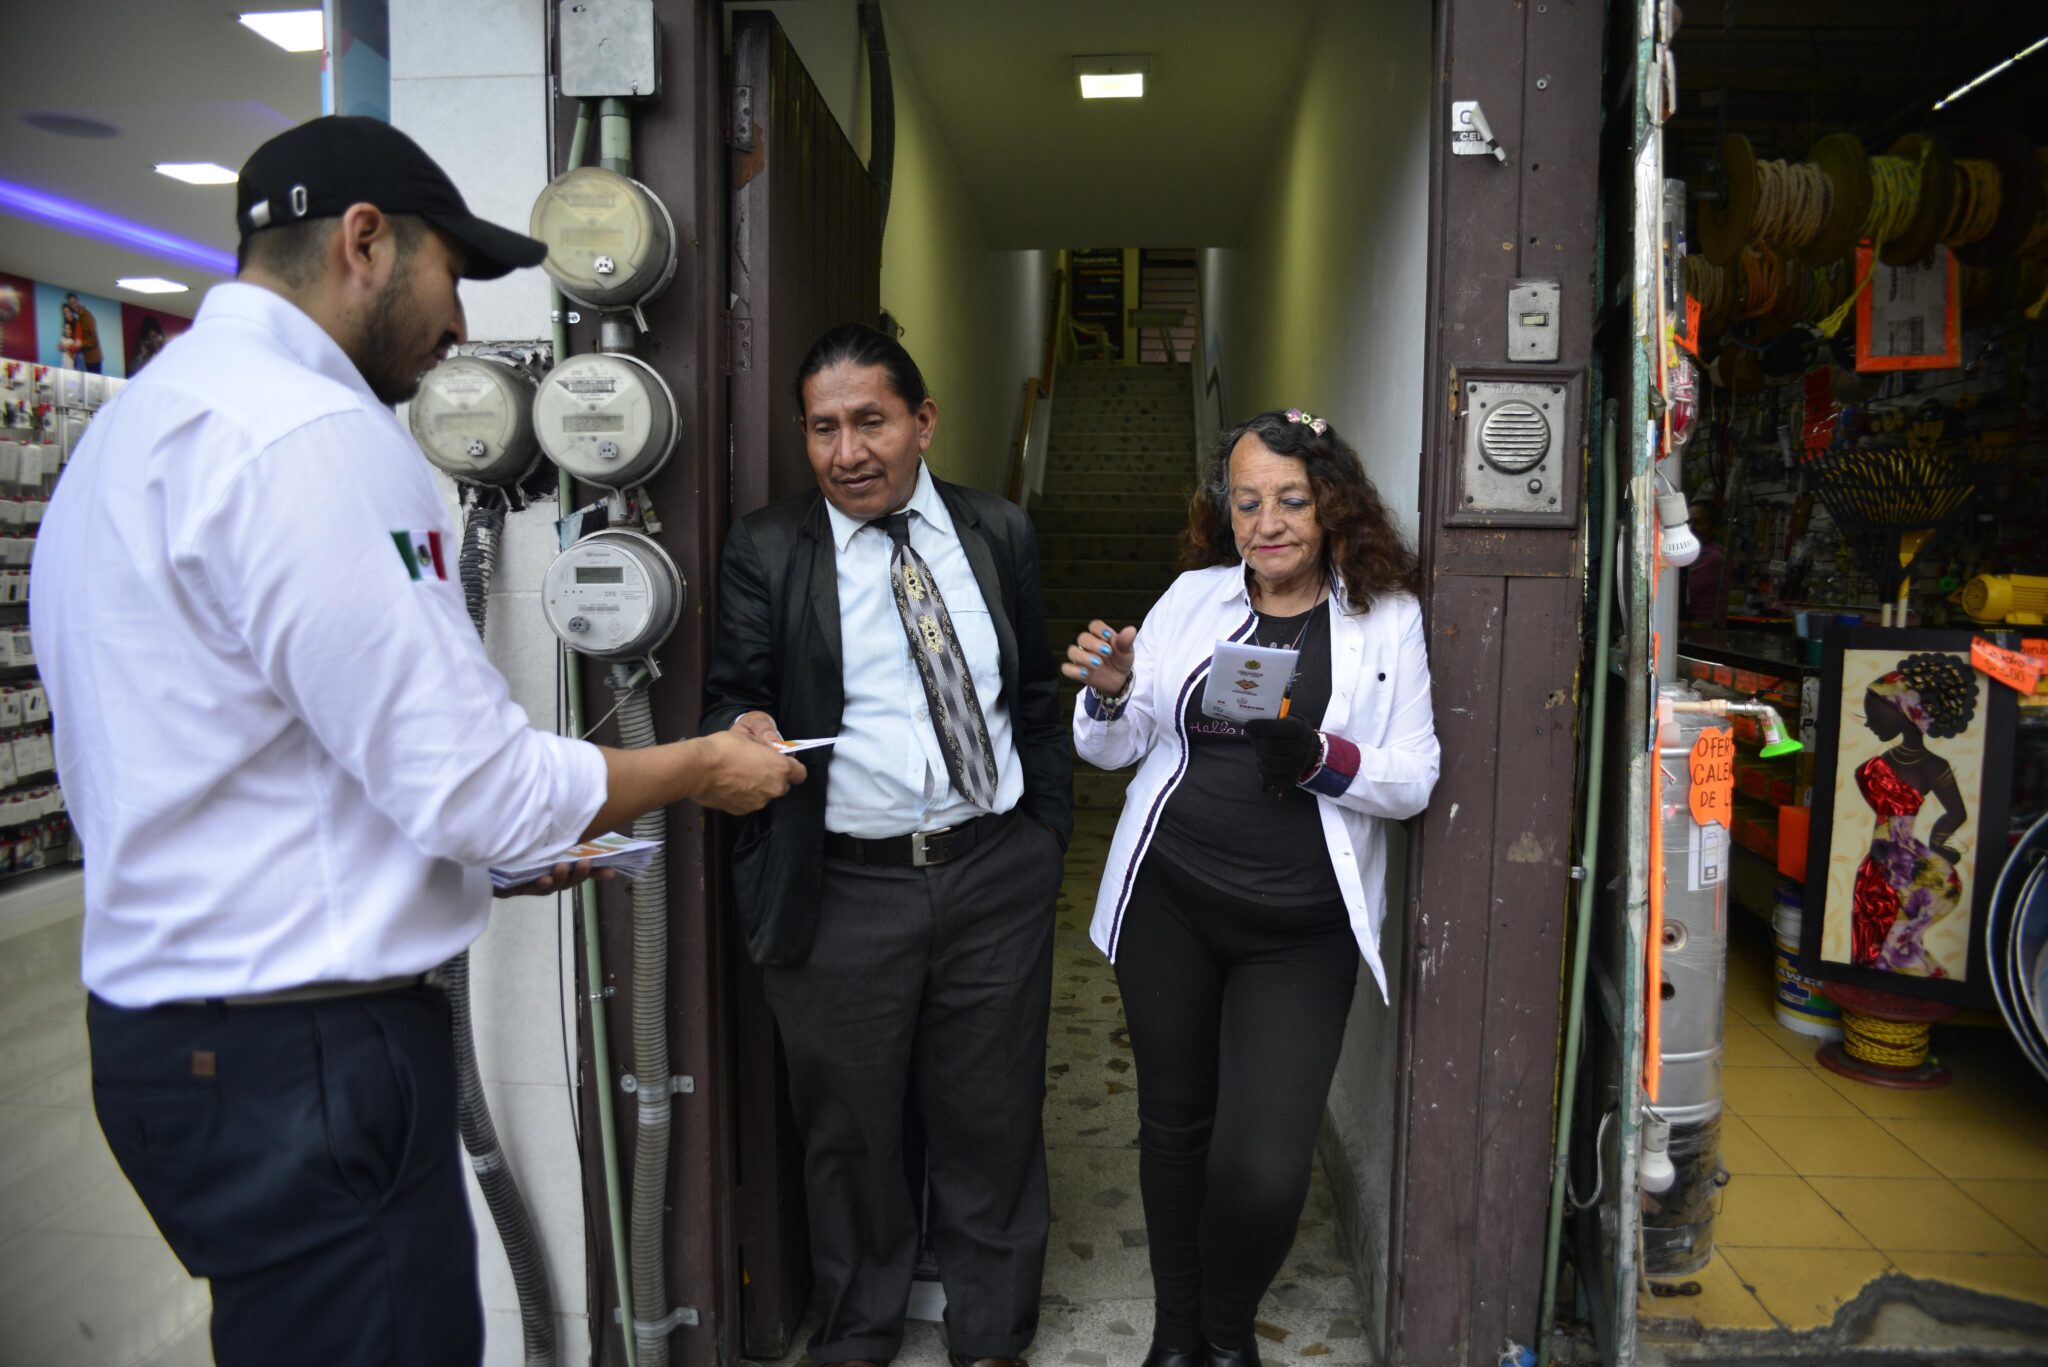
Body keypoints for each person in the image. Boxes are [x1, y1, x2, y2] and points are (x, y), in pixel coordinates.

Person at [29, 116, 804, 1367]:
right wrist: (695, 768)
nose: (458, 328)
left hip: (173, 1042)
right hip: (310, 1058)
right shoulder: (316, 439)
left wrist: (469, 862)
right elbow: (479, 785)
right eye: (453, 276)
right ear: (364, 241)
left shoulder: (137, 430)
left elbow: (239, 753)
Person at [702, 322, 1073, 1367]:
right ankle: (859, 1329)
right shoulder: (769, 548)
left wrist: (1042, 832)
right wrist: (743, 734)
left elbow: (1033, 694)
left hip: (991, 867)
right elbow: (734, 696)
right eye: (822, 427)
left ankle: (990, 1329)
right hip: (842, 888)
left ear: (923, 421)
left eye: (869, 420)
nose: (846, 450)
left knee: (991, 1115)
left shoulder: (996, 530)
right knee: (850, 1127)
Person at [1067, 409, 1439, 1367]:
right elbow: (1112, 745)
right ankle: (1178, 1334)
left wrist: (1322, 755)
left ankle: (1227, 1329)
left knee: (1265, 1169)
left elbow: (1414, 776)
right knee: (1174, 1128)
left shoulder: (1383, 615)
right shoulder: (1193, 598)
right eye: (1246, 502)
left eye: (1290, 500)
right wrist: (1112, 688)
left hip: (1299, 931)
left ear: (1331, 506)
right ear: (1224, 511)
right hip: (1172, 902)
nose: (1267, 522)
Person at [1850, 652, 1976, 976]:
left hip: (1903, 865)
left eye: (1876, 717)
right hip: (1881, 865)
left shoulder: (1934, 767)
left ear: (1906, 713)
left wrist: (1938, 843)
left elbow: (1956, 812)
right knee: (1876, 930)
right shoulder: (1873, 767)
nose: (1869, 724)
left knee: (1894, 937)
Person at [60, 291, 104, 373]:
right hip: (85, 358)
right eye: (71, 304)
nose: (73, 306)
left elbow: (95, 340)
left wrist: (81, 343)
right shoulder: (79, 318)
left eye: (74, 302)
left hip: (93, 359)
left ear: (78, 301)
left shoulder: (87, 316)